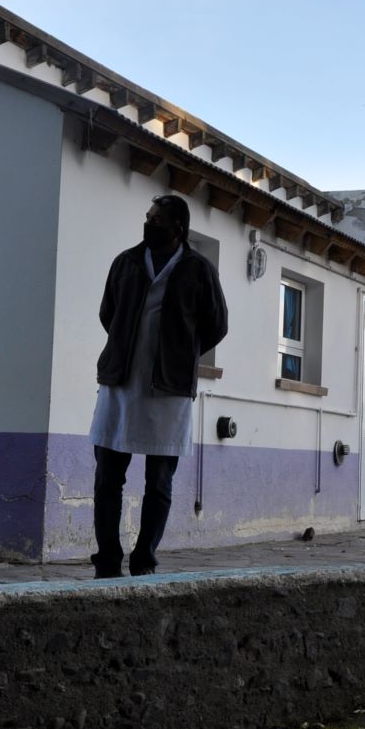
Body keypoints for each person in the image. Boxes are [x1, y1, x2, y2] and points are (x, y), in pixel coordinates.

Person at [88, 195, 228, 578]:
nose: (148, 223)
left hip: (169, 389)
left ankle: (144, 561)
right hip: (120, 383)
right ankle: (107, 562)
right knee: (107, 478)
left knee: (159, 482)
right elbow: (108, 313)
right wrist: (127, 348)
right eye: (148, 217)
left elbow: (216, 325)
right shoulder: (126, 262)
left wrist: (181, 354)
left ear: (176, 228)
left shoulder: (198, 270)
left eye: (156, 219)